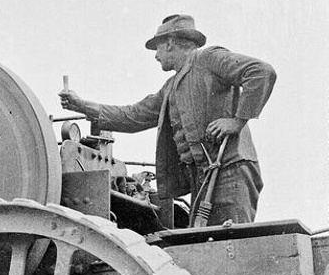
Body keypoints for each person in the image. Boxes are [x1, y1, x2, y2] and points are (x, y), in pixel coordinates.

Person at [59, 14, 276, 226]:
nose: (156, 56)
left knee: (229, 244)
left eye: (158, 49)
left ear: (171, 43)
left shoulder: (208, 59)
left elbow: (260, 72)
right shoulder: (170, 89)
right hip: (203, 179)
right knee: (204, 243)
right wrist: (81, 105)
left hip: (230, 170)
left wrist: (237, 122)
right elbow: (133, 116)